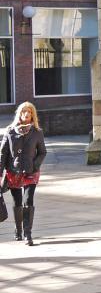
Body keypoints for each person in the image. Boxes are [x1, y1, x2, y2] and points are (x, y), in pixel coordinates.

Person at [1, 102, 46, 246]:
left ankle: (28, 233)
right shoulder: (10, 131)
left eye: (29, 112)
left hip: (31, 172)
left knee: (29, 201)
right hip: (13, 171)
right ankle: (18, 230)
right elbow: (3, 153)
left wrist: (35, 165)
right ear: (19, 114)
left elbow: (42, 152)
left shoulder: (37, 132)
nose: (26, 114)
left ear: (33, 115)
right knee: (17, 202)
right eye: (23, 112)